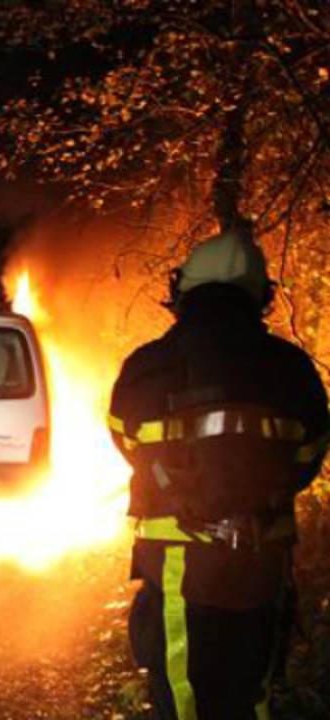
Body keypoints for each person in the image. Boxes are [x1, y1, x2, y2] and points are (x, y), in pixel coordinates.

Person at [108, 229, 330, 720]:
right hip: (261, 561)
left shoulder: (148, 367)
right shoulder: (290, 368)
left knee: (184, 692)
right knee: (254, 692)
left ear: (184, 290)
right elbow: (311, 452)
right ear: (258, 294)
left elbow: (126, 439)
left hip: (177, 562)